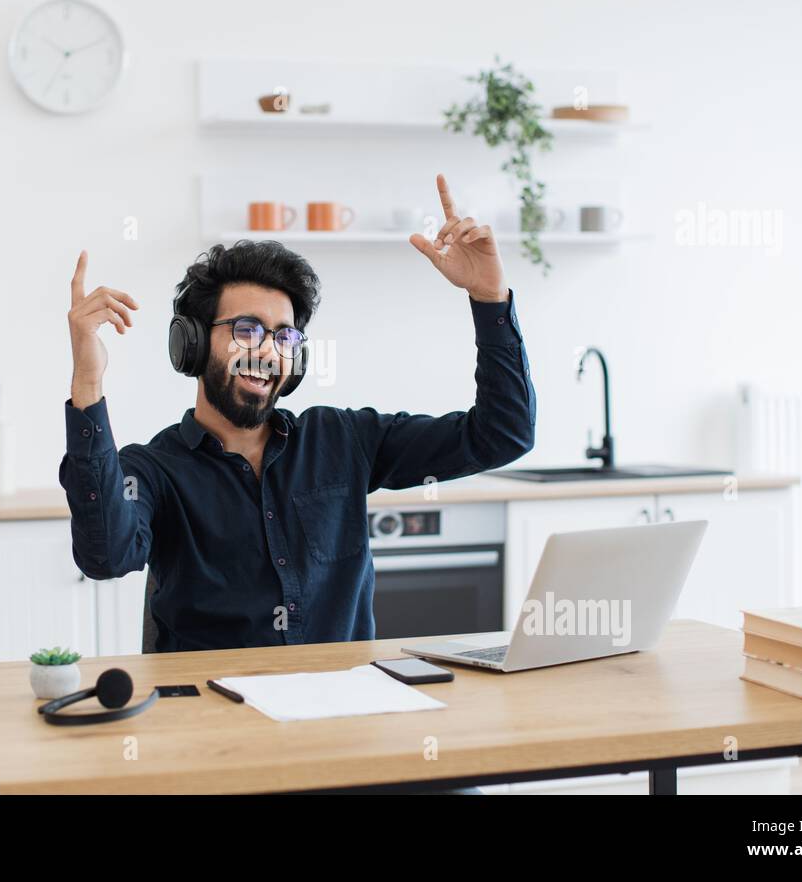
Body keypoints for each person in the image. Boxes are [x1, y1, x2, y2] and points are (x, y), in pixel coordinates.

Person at [60, 174, 535, 652]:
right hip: (211, 717)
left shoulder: (342, 438)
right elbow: (106, 556)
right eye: (247, 329)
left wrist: (489, 300)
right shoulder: (153, 469)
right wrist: (88, 384)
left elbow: (503, 434)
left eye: (284, 337)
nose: (267, 351)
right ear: (194, 342)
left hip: (339, 710)